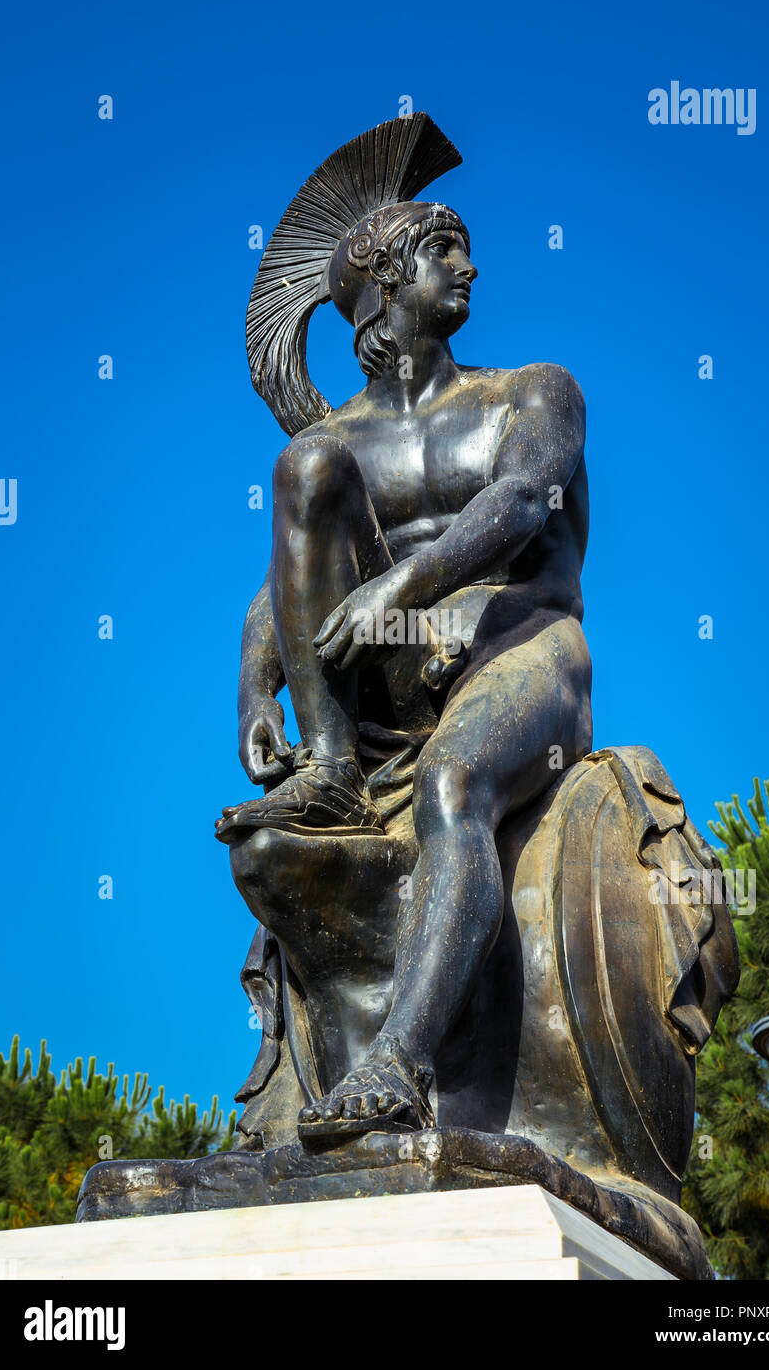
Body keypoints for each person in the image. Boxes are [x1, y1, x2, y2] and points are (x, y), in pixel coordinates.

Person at [215, 116, 592, 1139]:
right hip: (386, 688)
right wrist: (257, 691)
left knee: (450, 782)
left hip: (519, 645)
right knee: (305, 470)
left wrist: (407, 584)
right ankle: (333, 761)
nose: (469, 264)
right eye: (441, 247)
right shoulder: (336, 440)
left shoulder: (533, 392)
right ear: (382, 281)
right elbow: (276, 587)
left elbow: (521, 504)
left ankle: (398, 1064)